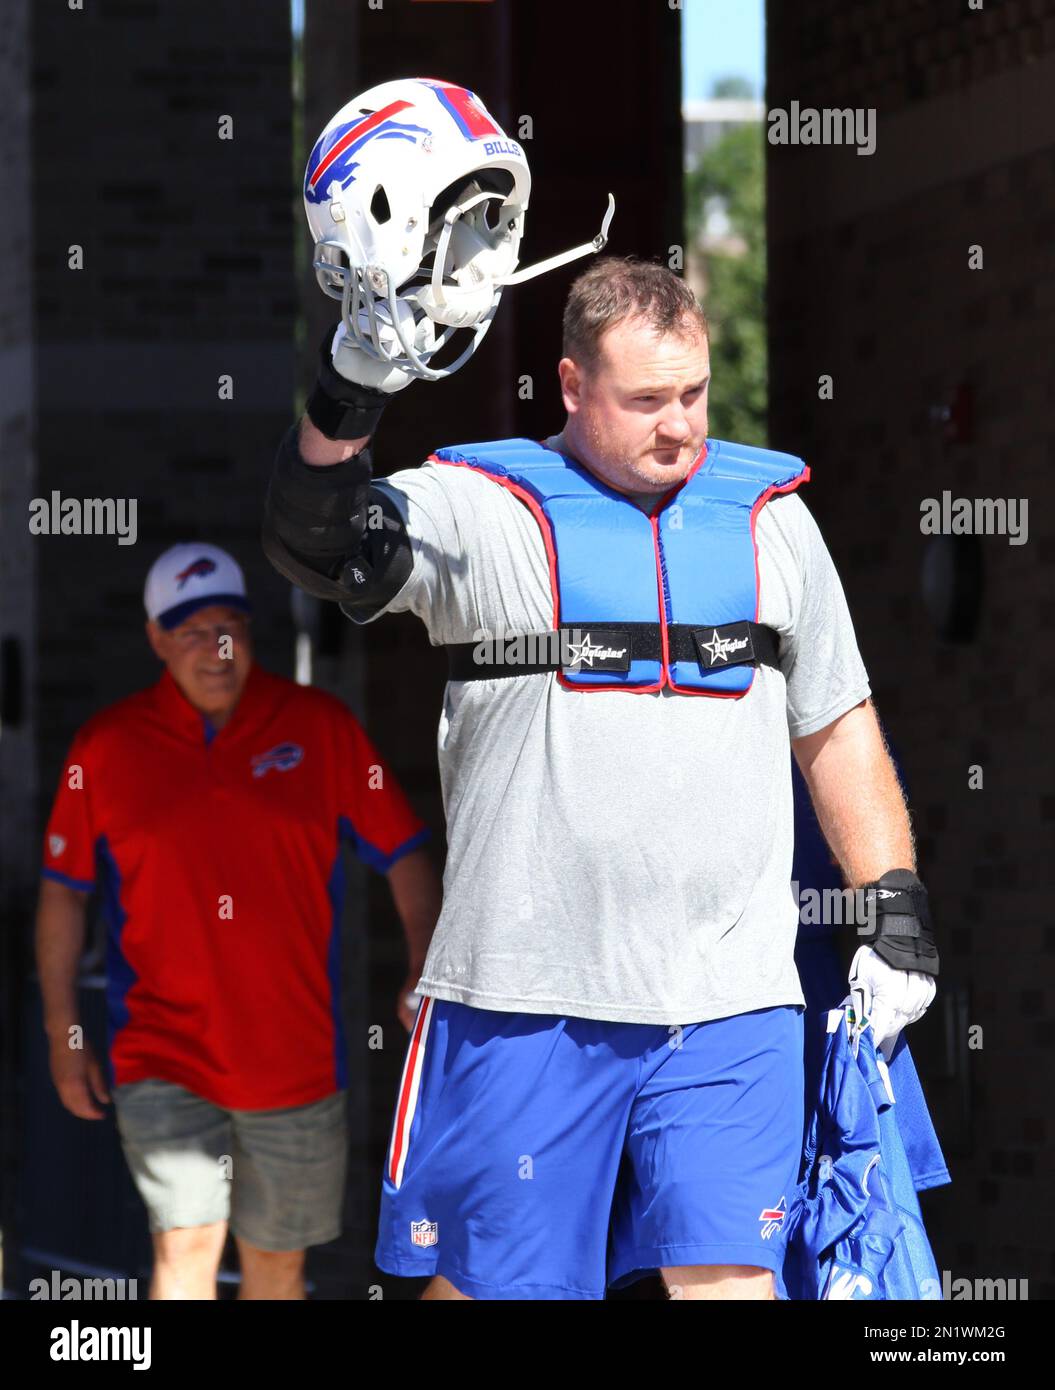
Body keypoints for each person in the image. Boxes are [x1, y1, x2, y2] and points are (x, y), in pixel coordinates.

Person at [262, 256, 938, 1301]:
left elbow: (834, 724)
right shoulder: (482, 508)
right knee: (498, 1289)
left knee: (731, 1284)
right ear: (573, 387)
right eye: (645, 400)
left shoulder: (771, 519)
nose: (679, 426)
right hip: (525, 1000)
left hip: (730, 1002)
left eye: (693, 394)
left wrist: (893, 907)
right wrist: (346, 387)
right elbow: (314, 542)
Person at [36, 542, 441, 1300]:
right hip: (161, 1050)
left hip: (296, 1058)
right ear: (156, 638)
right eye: (192, 631)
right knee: (184, 1252)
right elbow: (63, 891)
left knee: (276, 1268)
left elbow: (407, 855)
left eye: (232, 627)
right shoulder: (107, 746)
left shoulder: (320, 728)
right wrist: (66, 1035)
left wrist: (424, 961)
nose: (217, 649)